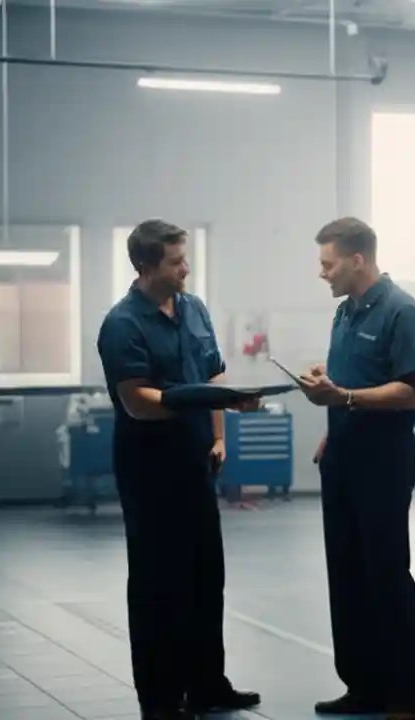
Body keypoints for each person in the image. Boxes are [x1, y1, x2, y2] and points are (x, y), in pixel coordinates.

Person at [96, 219, 261, 720]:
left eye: (185, 258)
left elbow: (213, 376)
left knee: (205, 576)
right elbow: (138, 402)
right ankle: (161, 699)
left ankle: (208, 684)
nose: (185, 268)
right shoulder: (122, 324)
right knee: (157, 584)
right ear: (146, 265)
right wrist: (198, 402)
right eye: (175, 261)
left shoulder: (194, 309)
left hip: (196, 461)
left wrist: (219, 432)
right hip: (149, 468)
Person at [298, 217, 415, 719]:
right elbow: (350, 381)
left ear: (357, 260)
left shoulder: (403, 312)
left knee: (386, 575)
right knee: (347, 574)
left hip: (381, 461)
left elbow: (410, 392)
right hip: (342, 458)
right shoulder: (344, 313)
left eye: (328, 264)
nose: (322, 274)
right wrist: (332, 413)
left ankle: (404, 696)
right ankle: (363, 686)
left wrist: (344, 396)